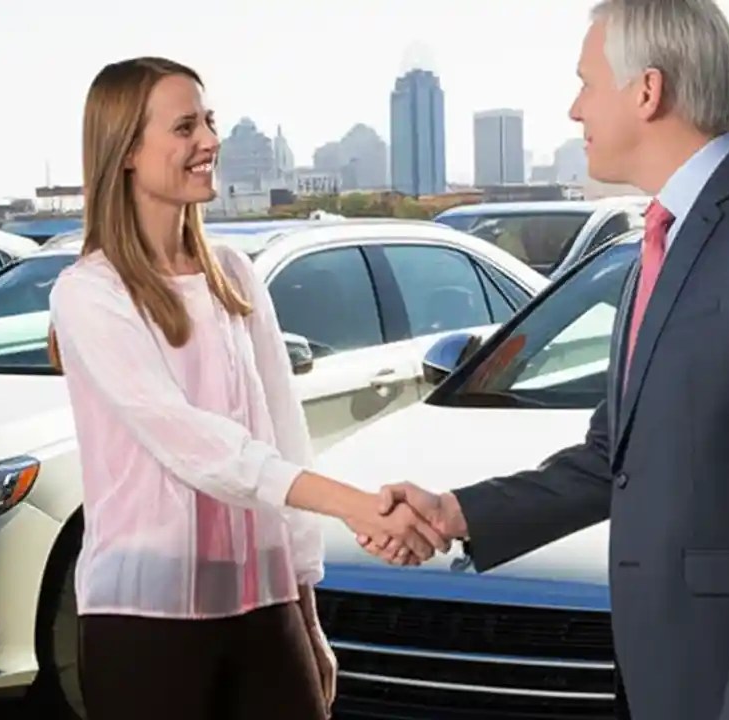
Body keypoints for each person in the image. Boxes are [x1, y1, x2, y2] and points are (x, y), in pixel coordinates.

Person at [362, 1, 729, 718]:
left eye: (586, 82)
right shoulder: (659, 240)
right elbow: (613, 455)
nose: (574, 108)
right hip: (670, 679)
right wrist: (456, 511)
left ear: (647, 91)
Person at [48, 57, 447, 720]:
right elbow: (198, 446)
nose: (209, 140)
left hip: (266, 607)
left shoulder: (233, 275)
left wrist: (307, 613)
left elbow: (281, 434)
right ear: (125, 151)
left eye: (208, 120)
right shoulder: (90, 294)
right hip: (147, 616)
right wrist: (353, 505)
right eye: (184, 127)